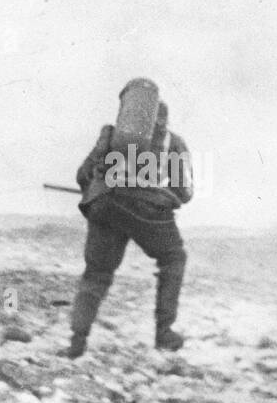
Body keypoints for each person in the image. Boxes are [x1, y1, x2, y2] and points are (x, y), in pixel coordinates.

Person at [65, 80, 194, 359]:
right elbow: (184, 193)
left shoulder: (111, 136)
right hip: (149, 212)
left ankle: (77, 342)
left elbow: (82, 175)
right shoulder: (174, 142)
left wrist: (102, 184)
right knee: (173, 258)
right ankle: (164, 333)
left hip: (106, 206)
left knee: (97, 274)